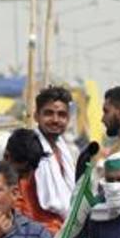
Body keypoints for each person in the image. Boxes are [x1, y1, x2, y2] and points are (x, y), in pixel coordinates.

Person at [3, 127, 65, 234]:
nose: (26, 177)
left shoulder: (33, 175)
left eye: (29, 172)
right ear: (6, 157)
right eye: (22, 172)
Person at [33, 86, 79, 218]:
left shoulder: (67, 151)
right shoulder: (28, 148)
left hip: (64, 227)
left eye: (61, 115)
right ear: (37, 116)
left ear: (68, 119)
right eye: (48, 113)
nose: (55, 120)